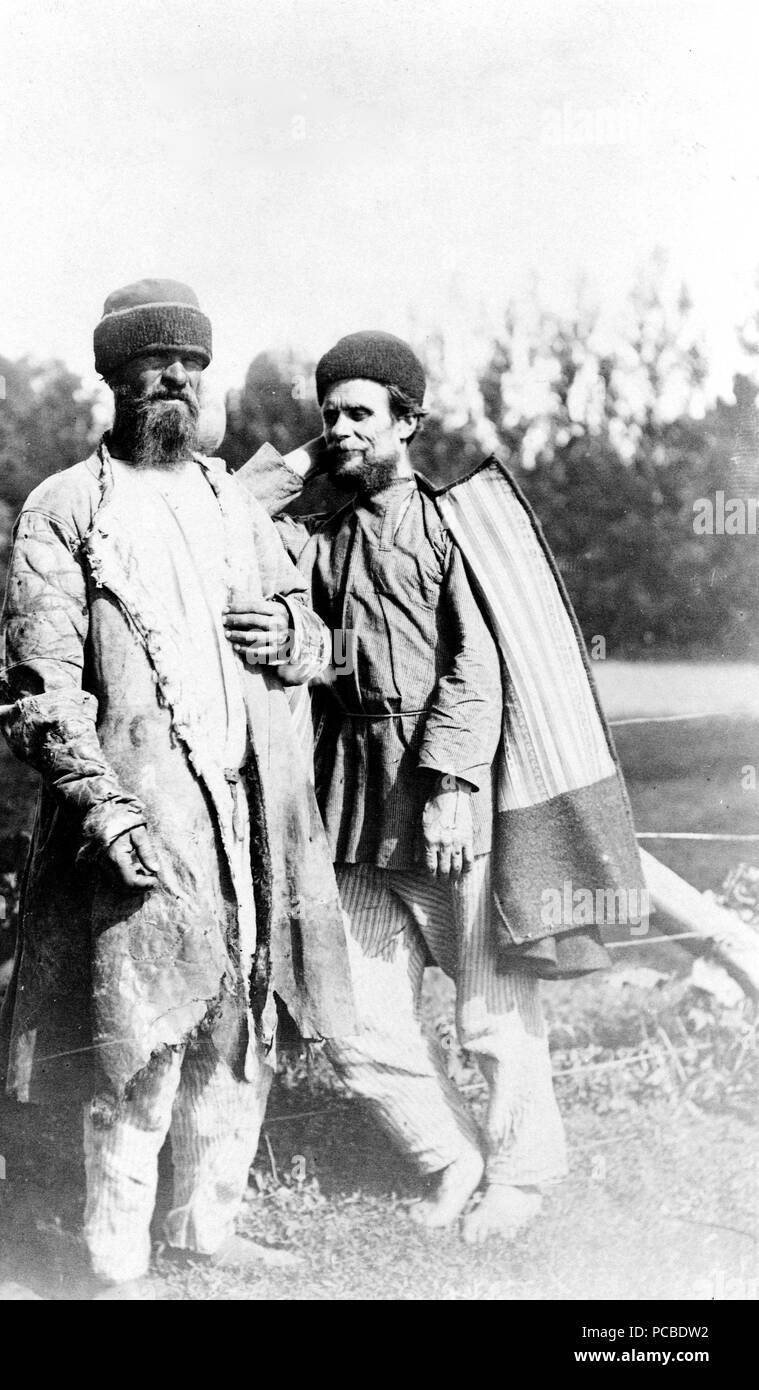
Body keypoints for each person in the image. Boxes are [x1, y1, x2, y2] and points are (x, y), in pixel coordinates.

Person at [236, 330, 643, 1243]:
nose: (340, 429)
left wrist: (456, 782)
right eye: (328, 413)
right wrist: (295, 641)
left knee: (490, 1010)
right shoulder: (311, 530)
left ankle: (523, 1176)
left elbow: (477, 663)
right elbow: (287, 597)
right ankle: (451, 1157)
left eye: (360, 414)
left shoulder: (451, 525)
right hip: (346, 805)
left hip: (443, 796)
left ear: (408, 421)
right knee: (351, 1019)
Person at [0, 279, 355, 1296]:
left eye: (190, 361)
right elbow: (35, 689)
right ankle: (114, 1258)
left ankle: (206, 1232)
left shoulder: (234, 505)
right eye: (149, 362)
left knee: (236, 1031)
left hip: (248, 817)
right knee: (138, 1035)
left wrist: (294, 638)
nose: (173, 378)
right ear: (110, 377)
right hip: (138, 818)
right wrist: (106, 811)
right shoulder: (66, 508)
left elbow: (308, 635)